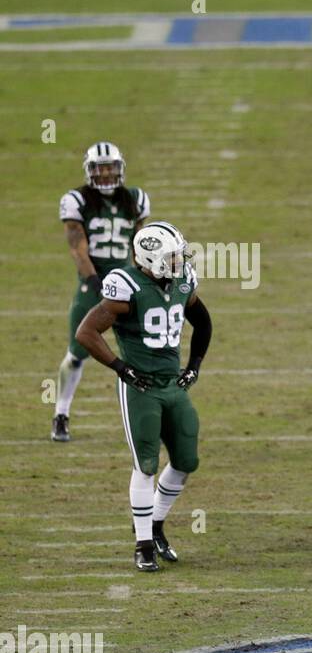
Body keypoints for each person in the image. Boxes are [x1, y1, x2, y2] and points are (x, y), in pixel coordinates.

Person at [74, 221, 211, 572]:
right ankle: (143, 544)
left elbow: (203, 321)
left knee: (185, 459)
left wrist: (194, 365)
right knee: (146, 463)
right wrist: (121, 368)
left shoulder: (182, 281)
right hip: (141, 388)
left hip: (173, 385)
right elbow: (87, 332)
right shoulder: (126, 287)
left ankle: (157, 525)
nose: (180, 262)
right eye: (172, 256)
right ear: (152, 258)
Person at [52, 142, 151, 442]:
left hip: (126, 279)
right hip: (92, 281)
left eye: (111, 167)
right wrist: (95, 281)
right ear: (90, 171)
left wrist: (144, 278)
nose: (106, 173)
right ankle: (61, 413)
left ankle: (150, 416)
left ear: (120, 168)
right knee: (77, 352)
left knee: (146, 348)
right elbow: (77, 246)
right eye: (101, 168)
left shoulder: (135, 199)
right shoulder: (77, 200)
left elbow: (139, 242)